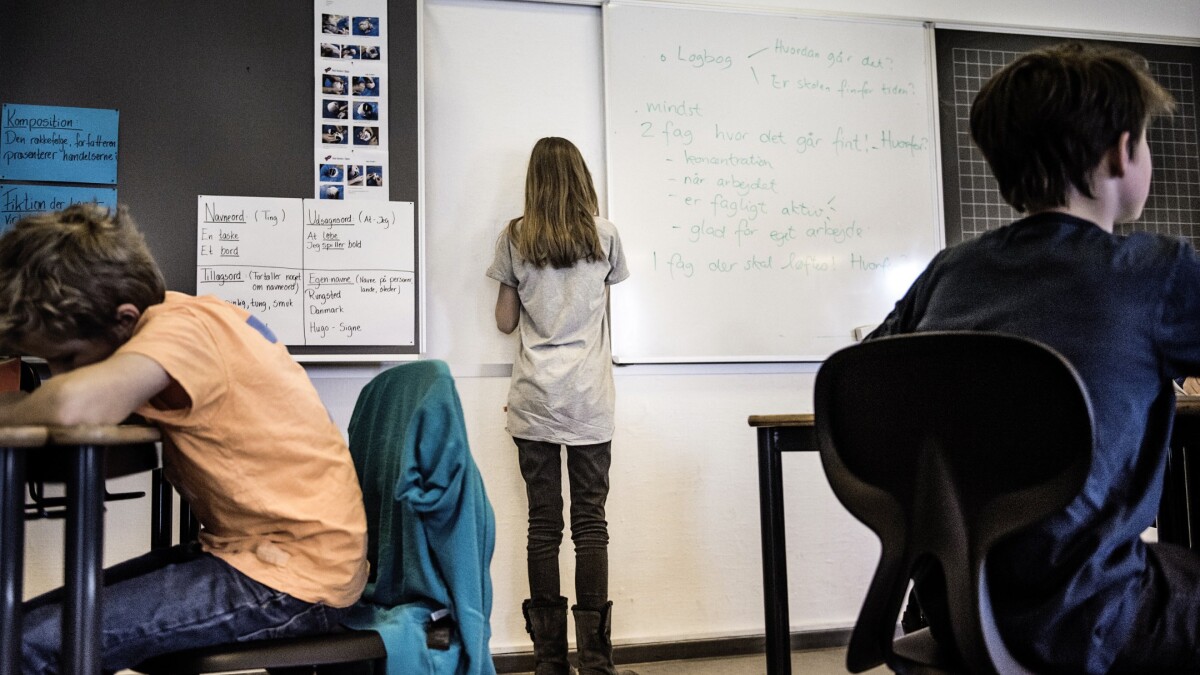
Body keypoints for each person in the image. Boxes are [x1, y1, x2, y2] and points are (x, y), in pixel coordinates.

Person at [864, 42, 1197, 673]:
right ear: (1122, 151)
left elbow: (873, 375)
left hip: (958, 609)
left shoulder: (949, 272)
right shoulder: (1157, 271)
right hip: (1098, 613)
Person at [0, 204, 368, 674]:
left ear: (123, 319)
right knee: (23, 627)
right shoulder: (180, 320)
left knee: (29, 644)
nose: (58, 376)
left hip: (291, 579)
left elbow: (73, 407)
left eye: (68, 359)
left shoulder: (182, 331)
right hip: (259, 555)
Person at [486, 137, 633, 675]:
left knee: (543, 527)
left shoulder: (516, 236)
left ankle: (549, 663)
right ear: (581, 177)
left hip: (534, 401)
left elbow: (504, 321)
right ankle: (597, 662)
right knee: (591, 523)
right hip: (590, 399)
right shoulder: (605, 236)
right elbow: (603, 308)